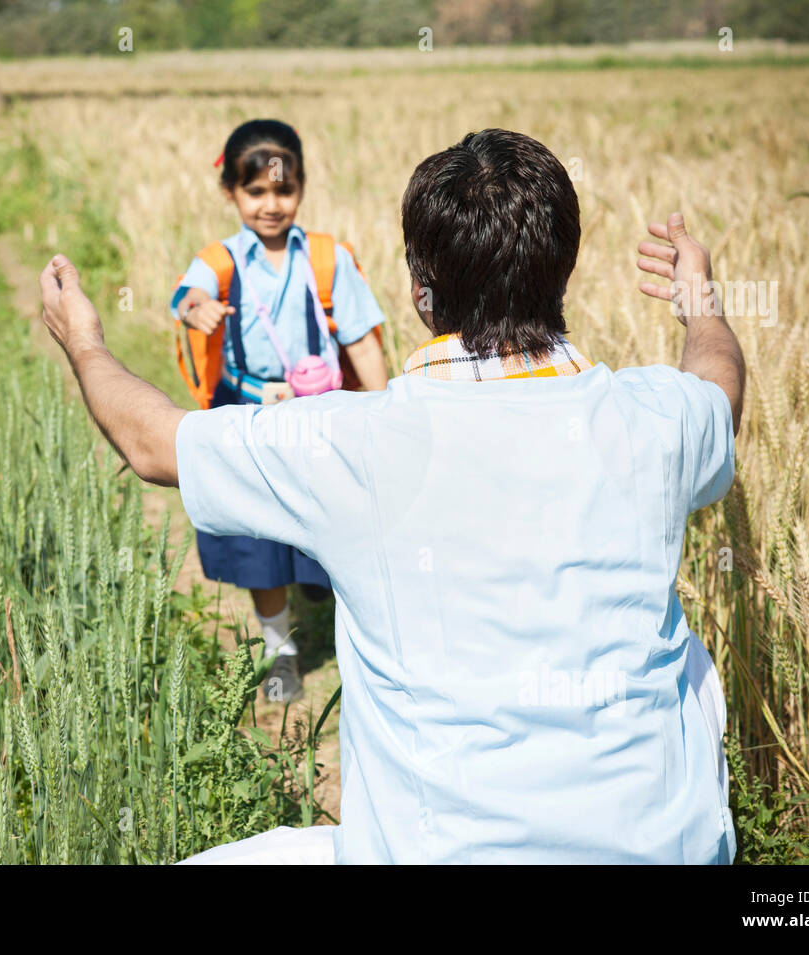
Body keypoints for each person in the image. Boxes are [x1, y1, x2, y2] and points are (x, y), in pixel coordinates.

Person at [37, 128, 746, 864]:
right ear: (564, 270)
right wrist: (700, 302)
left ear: (419, 289)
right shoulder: (657, 418)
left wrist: (83, 340)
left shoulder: (351, 444)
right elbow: (718, 387)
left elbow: (154, 442)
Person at [170, 119, 389, 702]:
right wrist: (197, 311)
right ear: (231, 194)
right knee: (258, 546)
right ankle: (280, 650)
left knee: (333, 526)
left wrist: (386, 412)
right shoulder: (220, 262)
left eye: (284, 191)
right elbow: (187, 294)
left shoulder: (327, 258)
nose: (272, 205)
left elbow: (363, 339)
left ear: (303, 187)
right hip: (246, 414)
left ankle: (332, 606)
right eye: (257, 192)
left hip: (319, 413)